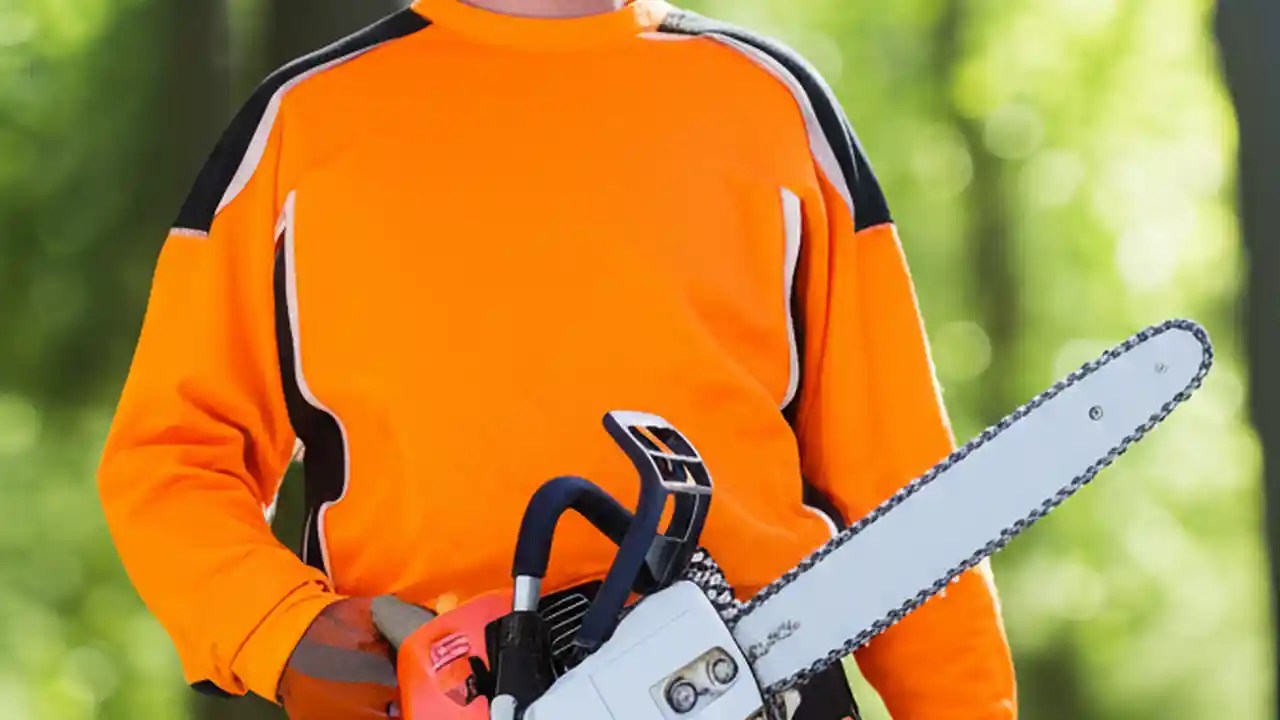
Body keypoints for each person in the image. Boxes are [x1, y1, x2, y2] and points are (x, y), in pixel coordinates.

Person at [98, 0, 1018, 717]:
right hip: (448, 691)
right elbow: (172, 460)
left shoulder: (771, 105)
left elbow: (907, 493)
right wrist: (280, 630)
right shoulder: (299, 128)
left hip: (752, 689)